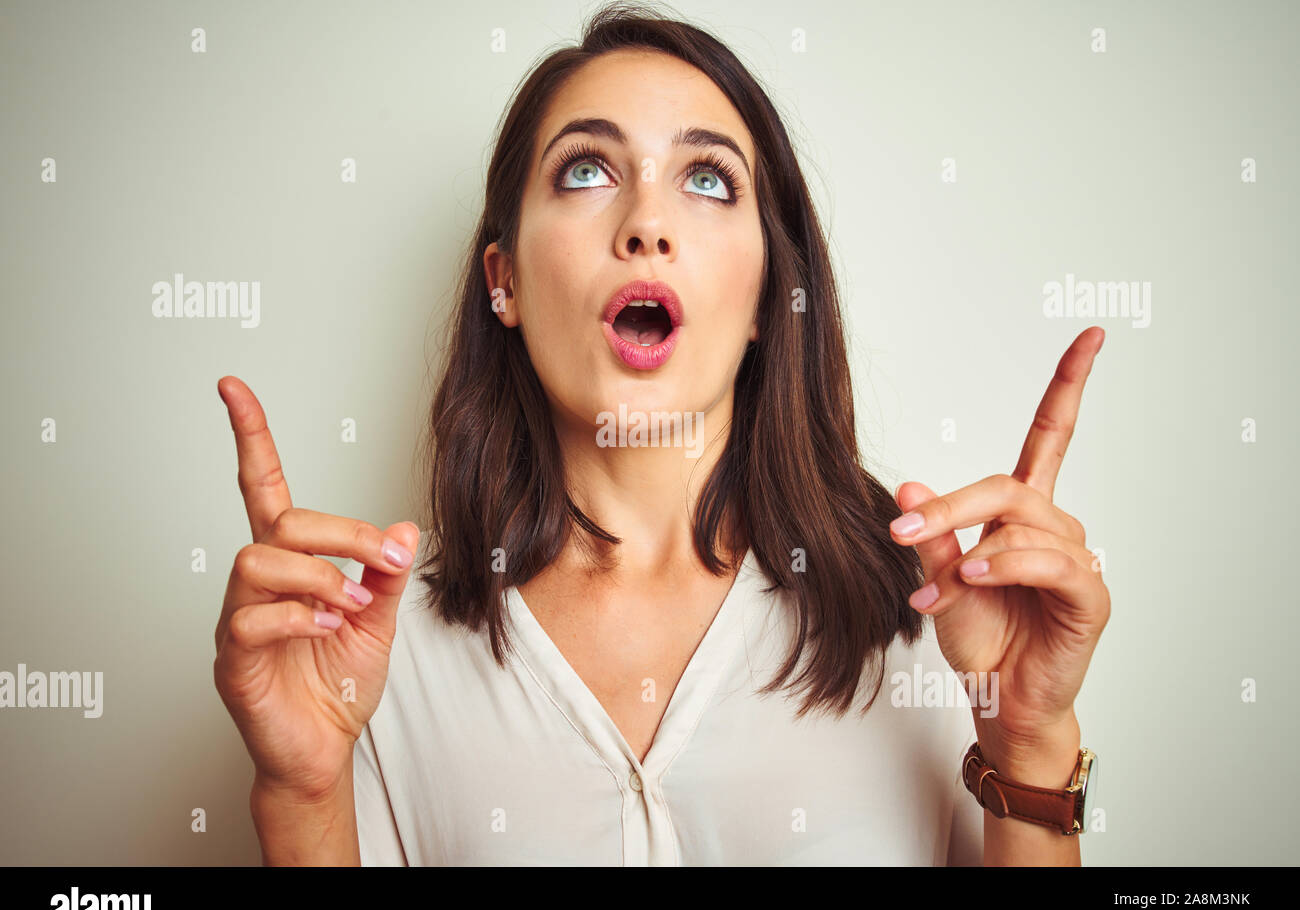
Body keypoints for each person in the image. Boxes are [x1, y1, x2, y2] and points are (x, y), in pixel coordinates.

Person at [213, 2, 1109, 866]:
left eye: (709, 179)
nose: (646, 224)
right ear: (506, 283)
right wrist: (299, 796)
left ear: (767, 295)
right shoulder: (375, 655)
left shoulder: (929, 622)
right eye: (586, 171)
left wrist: (1028, 745)